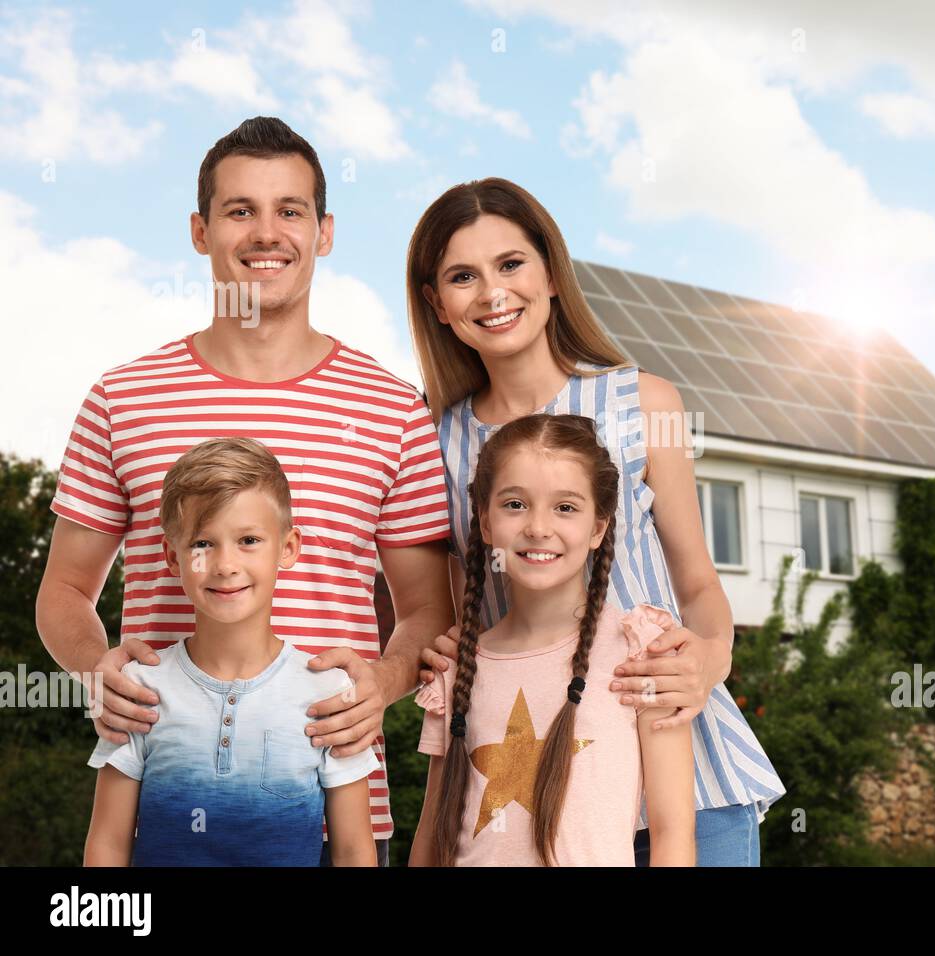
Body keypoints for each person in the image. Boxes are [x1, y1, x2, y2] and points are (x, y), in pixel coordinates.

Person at [35, 116, 455, 866]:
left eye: (289, 210)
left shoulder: (393, 410)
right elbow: (64, 589)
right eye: (240, 211)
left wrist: (382, 682)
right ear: (200, 231)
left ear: (324, 232)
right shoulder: (123, 399)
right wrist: (93, 667)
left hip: (337, 826)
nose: (268, 233)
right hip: (159, 819)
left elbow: (428, 611)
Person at [405, 177, 784, 865]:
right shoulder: (432, 441)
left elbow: (698, 584)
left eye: (511, 264)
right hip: (532, 792)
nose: (493, 293)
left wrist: (708, 660)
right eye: (463, 276)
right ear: (436, 303)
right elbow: (460, 610)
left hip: (686, 777)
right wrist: (437, 646)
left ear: (550, 272)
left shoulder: (645, 403)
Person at [408, 414, 694, 866]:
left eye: (565, 507)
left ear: (598, 528)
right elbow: (431, 834)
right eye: (515, 504)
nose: (538, 528)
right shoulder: (457, 665)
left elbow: (673, 832)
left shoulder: (641, 650)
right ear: (484, 523)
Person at [83, 439, 379, 866]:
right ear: (172, 556)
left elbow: (353, 850)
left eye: (248, 540)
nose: (225, 565)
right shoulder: (139, 690)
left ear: (289, 547)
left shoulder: (329, 692)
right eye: (203, 544)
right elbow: (108, 844)